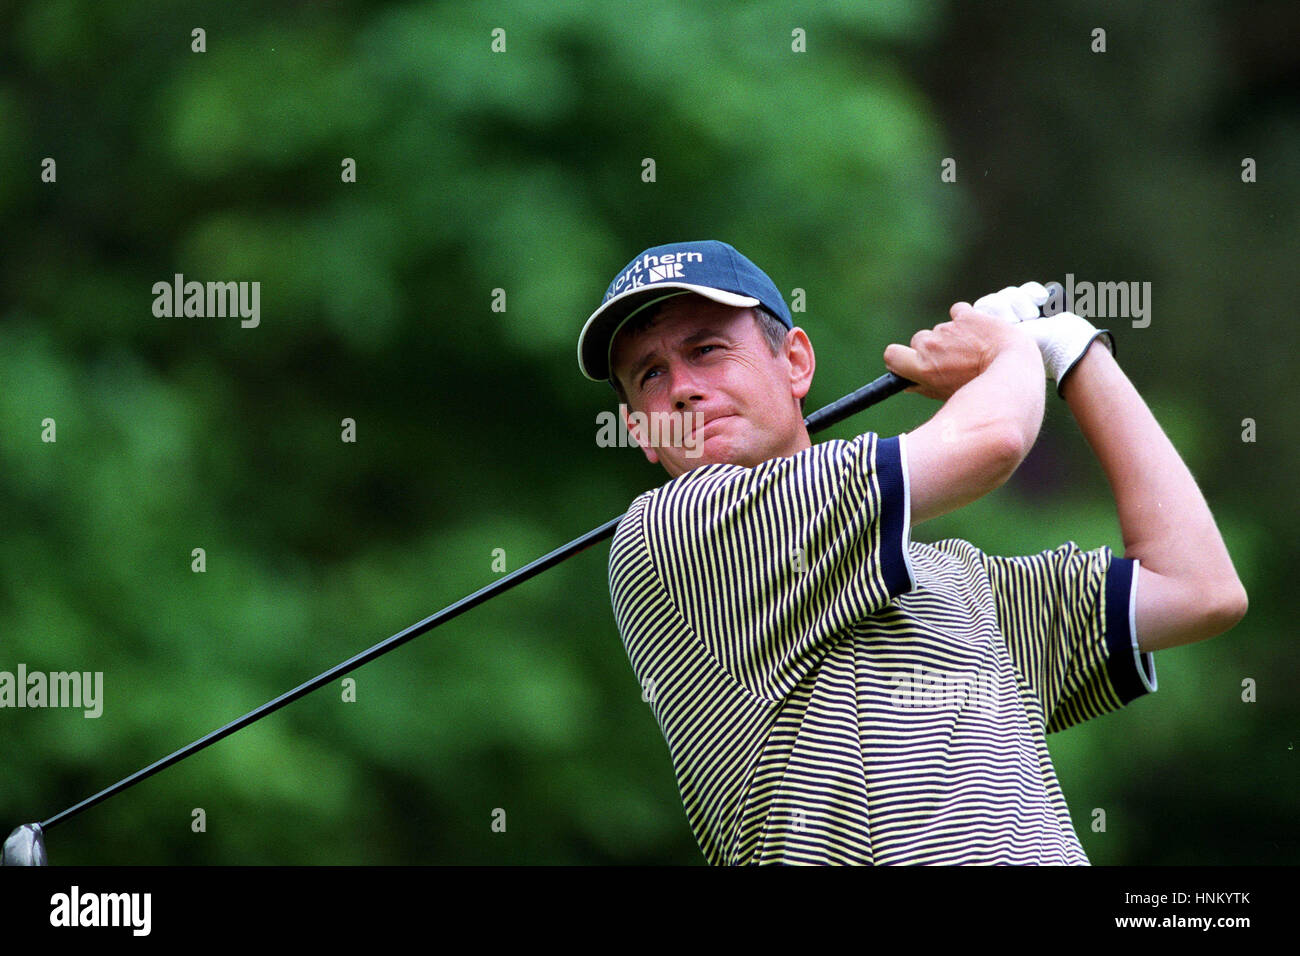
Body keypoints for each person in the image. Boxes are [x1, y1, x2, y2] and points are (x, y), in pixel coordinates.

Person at [577, 239, 1247, 865]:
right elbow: (994, 442)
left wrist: (1075, 354)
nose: (683, 387)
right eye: (650, 375)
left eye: (707, 350)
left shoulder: (964, 581)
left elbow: (1200, 589)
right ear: (640, 428)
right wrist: (1010, 355)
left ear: (796, 363)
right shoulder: (675, 528)